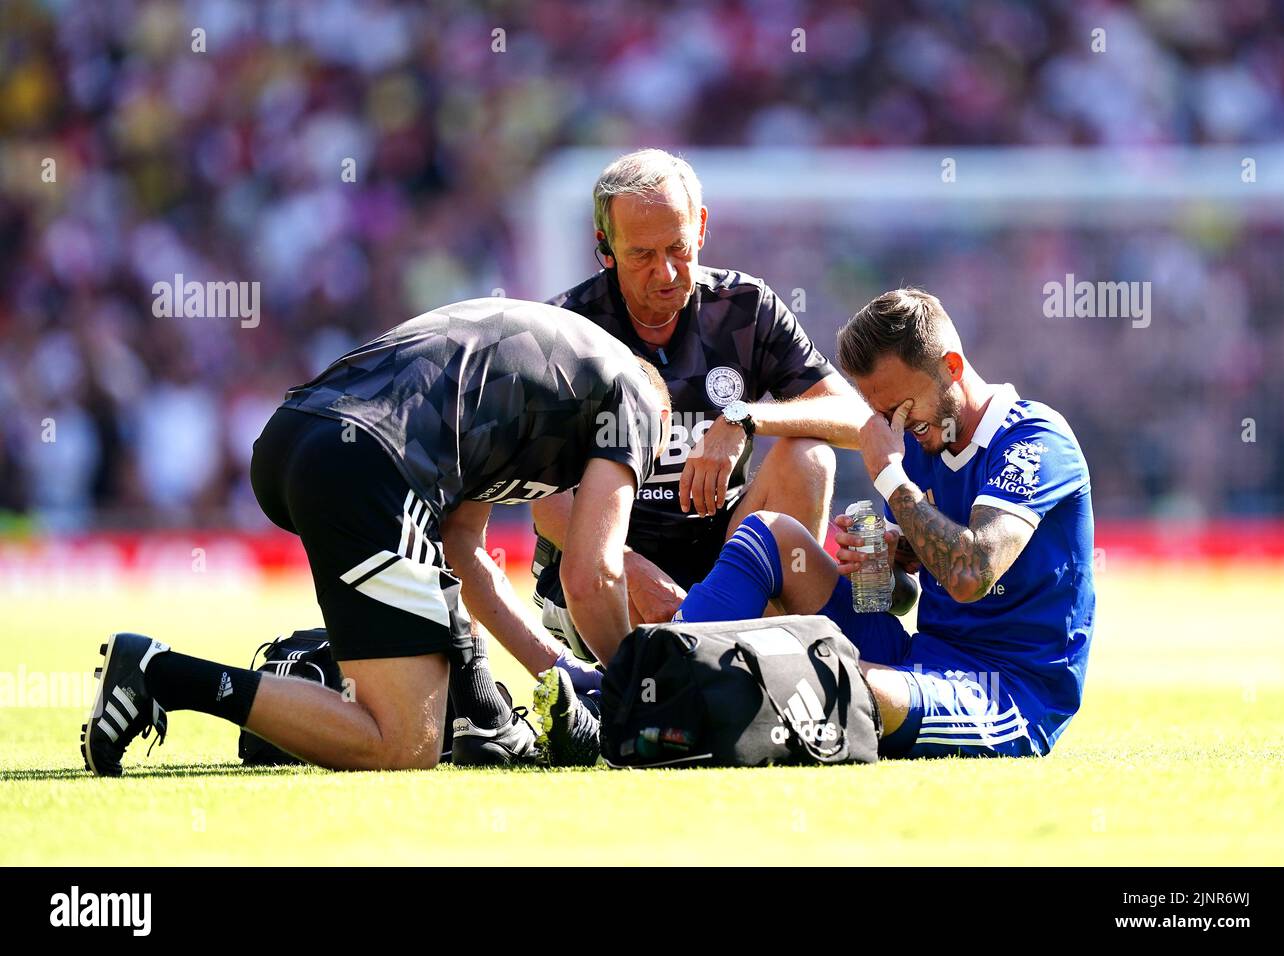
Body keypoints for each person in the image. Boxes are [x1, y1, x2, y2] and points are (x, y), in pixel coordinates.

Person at [81, 297, 669, 775]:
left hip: (295, 437)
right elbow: (594, 575)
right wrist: (633, 698)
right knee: (404, 743)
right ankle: (161, 674)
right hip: (370, 460)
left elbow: (460, 550)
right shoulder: (638, 399)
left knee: (435, 696)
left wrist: (558, 670)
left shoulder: (554, 376)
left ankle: (335, 677)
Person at [539, 288, 1095, 763]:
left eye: (902, 409)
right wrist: (890, 564)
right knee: (770, 535)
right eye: (881, 414)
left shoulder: (1033, 441)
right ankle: (646, 683)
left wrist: (890, 480)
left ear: (951, 367)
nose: (891, 426)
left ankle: (626, 709)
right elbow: (902, 599)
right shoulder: (928, 432)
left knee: (846, 683)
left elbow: (971, 571)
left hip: (1003, 693)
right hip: (923, 655)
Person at [528, 148, 868, 675]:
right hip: (612, 564)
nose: (665, 272)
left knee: (809, 455)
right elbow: (546, 502)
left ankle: (780, 660)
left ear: (701, 226)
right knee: (663, 667)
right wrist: (626, 566)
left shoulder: (745, 307)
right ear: (606, 249)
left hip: (724, 550)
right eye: (641, 255)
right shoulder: (565, 333)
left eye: (678, 247)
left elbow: (854, 418)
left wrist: (745, 418)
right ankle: (655, 681)